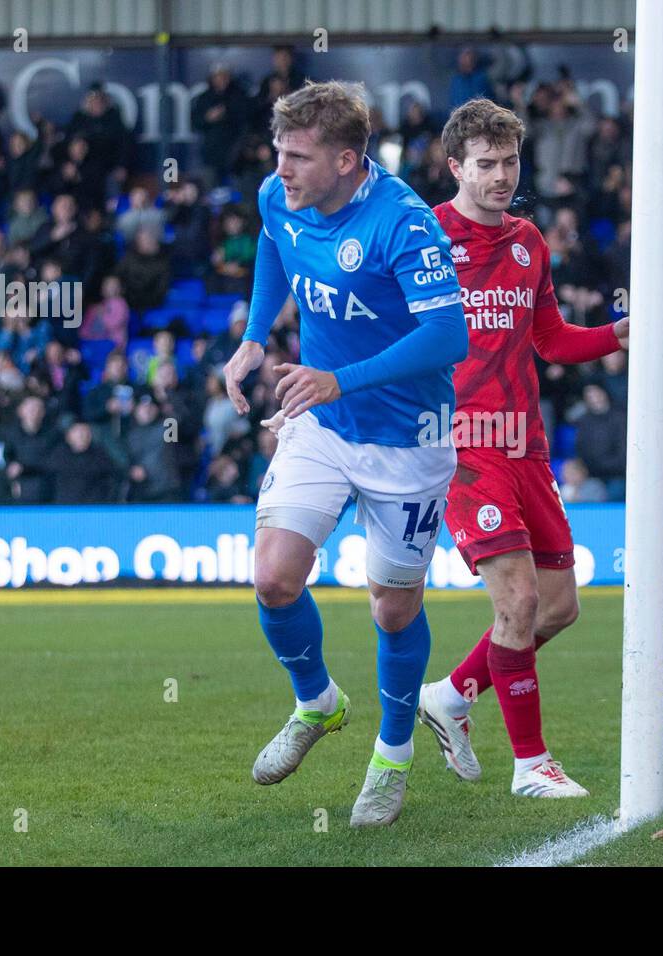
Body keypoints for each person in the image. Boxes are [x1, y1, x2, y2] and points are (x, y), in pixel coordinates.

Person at [222, 81, 467, 827]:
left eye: (298, 156)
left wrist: (338, 378)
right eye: (279, 152)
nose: (282, 168)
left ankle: (393, 754)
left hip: (407, 442)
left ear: (348, 160)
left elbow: (449, 336)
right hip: (322, 425)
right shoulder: (279, 195)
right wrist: (256, 336)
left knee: (393, 611)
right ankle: (318, 703)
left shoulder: (404, 224)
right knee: (272, 577)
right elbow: (273, 243)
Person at [417, 98, 629, 798]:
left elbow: (551, 339)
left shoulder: (529, 242)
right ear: (455, 166)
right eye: (486, 164)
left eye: (510, 162)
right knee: (515, 602)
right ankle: (532, 765)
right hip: (463, 447)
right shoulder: (424, 238)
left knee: (559, 608)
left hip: (528, 448)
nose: (501, 175)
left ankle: (451, 695)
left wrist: (615, 336)